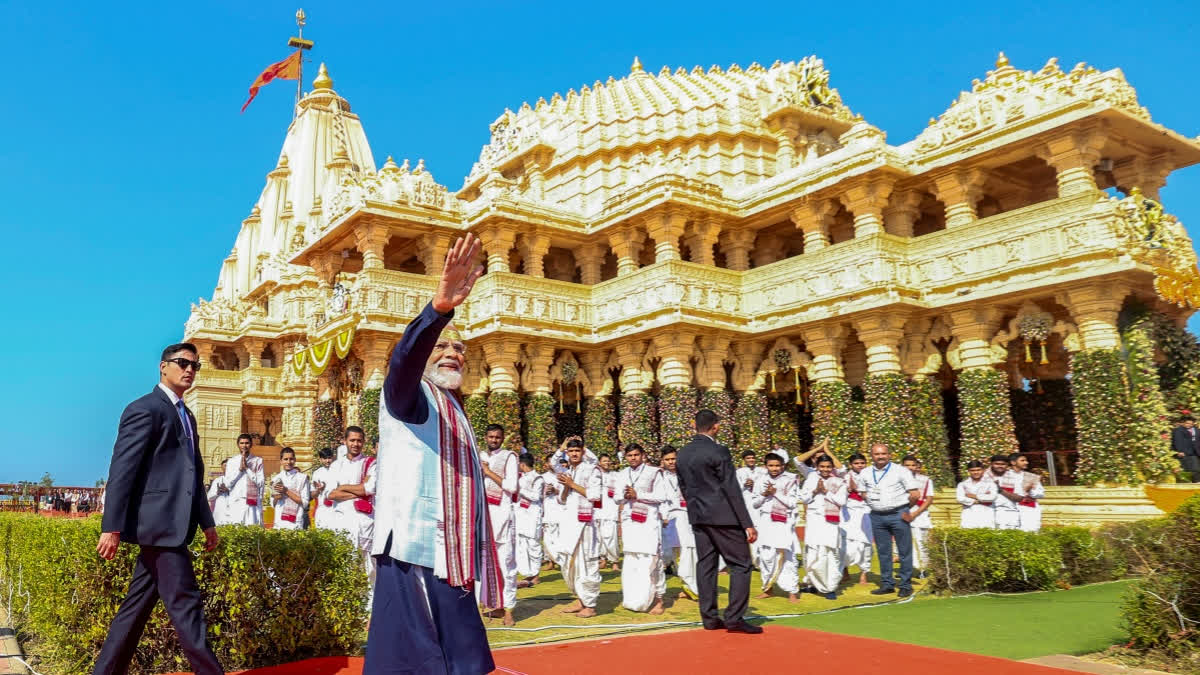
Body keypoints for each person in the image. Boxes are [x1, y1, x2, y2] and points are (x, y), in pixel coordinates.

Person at [364, 234, 500, 675]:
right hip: (413, 546)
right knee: (415, 659)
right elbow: (404, 360)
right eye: (441, 347)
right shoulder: (410, 396)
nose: (452, 354)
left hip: (449, 550)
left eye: (459, 349)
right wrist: (438, 312)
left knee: (464, 656)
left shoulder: (454, 408)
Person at [93, 343, 223, 675]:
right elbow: (123, 470)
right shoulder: (145, 409)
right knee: (187, 610)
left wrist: (207, 522)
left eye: (195, 365)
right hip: (159, 528)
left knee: (133, 612)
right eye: (183, 363)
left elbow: (194, 471)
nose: (190, 370)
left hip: (173, 528)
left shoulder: (187, 415)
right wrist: (112, 527)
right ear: (163, 367)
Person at [676, 410, 761, 634]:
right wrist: (746, 523)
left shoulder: (682, 453)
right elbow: (731, 487)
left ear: (694, 425)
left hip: (698, 517)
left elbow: (683, 487)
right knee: (741, 564)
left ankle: (710, 618)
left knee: (706, 565)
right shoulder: (718, 450)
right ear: (715, 427)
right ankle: (734, 618)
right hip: (723, 516)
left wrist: (696, 509)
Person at [857, 443, 920, 598]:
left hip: (898, 514)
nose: (880, 457)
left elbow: (915, 494)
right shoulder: (865, 472)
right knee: (883, 552)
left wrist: (907, 509)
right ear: (872, 455)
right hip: (877, 516)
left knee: (904, 551)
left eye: (883, 454)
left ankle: (905, 585)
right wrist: (874, 502)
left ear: (889, 455)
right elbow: (862, 492)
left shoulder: (901, 471)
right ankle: (887, 584)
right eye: (877, 454)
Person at [614, 443, 668, 614]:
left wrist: (638, 495)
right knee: (632, 560)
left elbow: (661, 496)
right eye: (629, 455)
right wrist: (624, 495)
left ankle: (659, 600)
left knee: (652, 560)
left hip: (648, 522)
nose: (633, 458)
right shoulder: (622, 474)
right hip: (630, 522)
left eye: (636, 455)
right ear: (625, 457)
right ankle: (635, 600)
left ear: (642, 455)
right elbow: (616, 498)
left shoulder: (654, 472)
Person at [329, 426, 378, 610]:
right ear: (345, 441)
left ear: (363, 442)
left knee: (368, 567)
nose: (356, 444)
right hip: (342, 521)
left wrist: (344, 488)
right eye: (352, 440)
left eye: (359, 440)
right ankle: (347, 607)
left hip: (365, 522)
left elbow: (370, 489)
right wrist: (358, 489)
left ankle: (369, 609)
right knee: (345, 563)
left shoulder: (371, 464)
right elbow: (330, 494)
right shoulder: (336, 465)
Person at [556, 439, 603, 618]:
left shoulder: (592, 470)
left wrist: (572, 484)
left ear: (583, 452)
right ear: (566, 453)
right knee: (571, 563)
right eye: (571, 451)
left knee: (587, 563)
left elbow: (595, 495)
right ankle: (580, 599)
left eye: (577, 450)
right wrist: (566, 487)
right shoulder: (568, 471)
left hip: (585, 523)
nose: (574, 454)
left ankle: (590, 605)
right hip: (569, 521)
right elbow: (563, 499)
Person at [480, 424, 519, 626]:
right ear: (485, 437)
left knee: (506, 565)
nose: (493, 440)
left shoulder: (509, 457)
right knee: (486, 564)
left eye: (497, 437)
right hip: (484, 517)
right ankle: (495, 605)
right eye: (491, 436)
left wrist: (488, 472)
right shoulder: (480, 456)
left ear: (502, 439)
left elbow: (512, 487)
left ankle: (510, 610)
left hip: (503, 516)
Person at [752, 453, 801, 602]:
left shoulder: (790, 480)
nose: (774, 468)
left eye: (777, 465)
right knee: (766, 556)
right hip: (766, 520)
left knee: (787, 557)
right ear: (766, 466)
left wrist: (776, 494)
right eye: (771, 465)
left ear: (783, 466)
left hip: (783, 521)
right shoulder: (760, 480)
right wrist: (764, 495)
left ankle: (792, 591)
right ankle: (768, 588)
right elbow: (755, 503)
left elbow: (793, 503)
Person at [799, 454, 847, 600]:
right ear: (817, 467)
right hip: (814, 521)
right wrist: (815, 491)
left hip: (831, 523)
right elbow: (803, 498)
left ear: (832, 468)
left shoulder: (839, 482)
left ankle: (829, 587)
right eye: (822, 467)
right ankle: (814, 584)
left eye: (828, 467)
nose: (825, 469)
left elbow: (841, 501)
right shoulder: (811, 479)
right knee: (813, 554)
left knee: (830, 555)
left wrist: (826, 492)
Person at [660, 447, 698, 600]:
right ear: (662, 461)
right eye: (667, 459)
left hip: (687, 517)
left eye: (673, 459)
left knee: (689, 550)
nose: (671, 462)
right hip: (668, 518)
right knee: (675, 553)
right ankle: (687, 586)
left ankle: (693, 588)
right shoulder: (660, 477)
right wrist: (663, 516)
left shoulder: (689, 475)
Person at [840, 453, 873, 586]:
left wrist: (859, 490)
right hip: (848, 512)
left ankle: (863, 573)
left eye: (862, 463)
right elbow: (839, 495)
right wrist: (848, 490)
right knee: (845, 543)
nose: (860, 465)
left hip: (865, 511)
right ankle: (845, 571)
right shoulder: (845, 477)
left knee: (866, 543)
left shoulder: (871, 475)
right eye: (856, 463)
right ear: (851, 465)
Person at [900, 455, 934, 576]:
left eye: (913, 465)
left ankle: (923, 569)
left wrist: (915, 513)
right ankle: (906, 569)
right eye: (907, 465)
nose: (910, 468)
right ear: (902, 466)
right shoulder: (896, 480)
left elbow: (929, 499)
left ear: (917, 466)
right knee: (904, 543)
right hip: (902, 513)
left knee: (921, 542)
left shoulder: (925, 480)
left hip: (921, 515)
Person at [514, 453, 545, 587]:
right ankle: (528, 573)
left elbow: (536, 496)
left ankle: (536, 574)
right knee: (522, 545)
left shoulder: (538, 478)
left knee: (534, 545)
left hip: (532, 516)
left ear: (522, 464)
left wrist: (521, 490)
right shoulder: (520, 477)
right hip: (521, 515)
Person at [222, 433, 264, 526]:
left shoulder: (257, 461)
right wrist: (240, 470)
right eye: (242, 443)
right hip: (236, 501)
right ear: (238, 445)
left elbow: (260, 482)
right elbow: (228, 484)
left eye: (247, 443)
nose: (244, 446)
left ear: (251, 445)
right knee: (236, 531)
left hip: (252, 503)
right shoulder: (232, 461)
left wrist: (248, 469)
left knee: (252, 531)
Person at [271, 447, 310, 531]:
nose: (288, 462)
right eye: (285, 459)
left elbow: (305, 502)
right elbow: (273, 504)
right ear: (281, 461)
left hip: (295, 521)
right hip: (279, 521)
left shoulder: (302, 478)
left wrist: (286, 491)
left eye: (291, 459)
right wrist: (276, 497)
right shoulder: (276, 479)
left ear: (295, 460)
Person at [595, 453, 622, 570]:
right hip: (597, 510)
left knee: (611, 537)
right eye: (604, 461)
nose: (607, 463)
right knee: (599, 538)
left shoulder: (616, 475)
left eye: (608, 461)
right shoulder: (595, 476)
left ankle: (615, 561)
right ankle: (603, 559)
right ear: (599, 463)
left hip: (611, 510)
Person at [1007, 453, 1045, 533]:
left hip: (1028, 508)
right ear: (1013, 462)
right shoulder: (1004, 476)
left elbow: (1041, 494)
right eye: (1022, 460)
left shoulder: (1031, 476)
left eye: (1026, 460)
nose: (1026, 462)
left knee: (1031, 532)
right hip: (1009, 509)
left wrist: (1030, 491)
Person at [956, 460, 998, 529]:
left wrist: (974, 496)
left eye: (978, 470)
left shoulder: (990, 483)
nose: (976, 472)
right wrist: (981, 499)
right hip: (969, 514)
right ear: (968, 471)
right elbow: (960, 498)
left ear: (983, 470)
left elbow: (993, 497)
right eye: (972, 470)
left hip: (987, 514)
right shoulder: (963, 484)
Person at [541, 457, 564, 567]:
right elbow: (538, 494)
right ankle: (551, 561)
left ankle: (560, 561)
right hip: (548, 511)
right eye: (549, 461)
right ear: (546, 464)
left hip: (560, 511)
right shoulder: (543, 477)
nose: (551, 464)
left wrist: (556, 491)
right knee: (547, 540)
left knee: (559, 539)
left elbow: (567, 493)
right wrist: (545, 491)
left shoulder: (562, 476)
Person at [987, 455, 1021, 530]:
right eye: (997, 464)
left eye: (1003, 464)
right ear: (991, 464)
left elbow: (1020, 498)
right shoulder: (983, 477)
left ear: (1007, 465)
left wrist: (1001, 490)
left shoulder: (1015, 477)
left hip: (1009, 513)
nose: (1000, 466)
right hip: (986, 513)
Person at [310, 447, 338, 530]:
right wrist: (318, 490)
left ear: (333, 458)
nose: (327, 461)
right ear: (320, 459)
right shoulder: (317, 473)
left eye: (329, 458)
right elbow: (313, 495)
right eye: (324, 458)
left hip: (336, 508)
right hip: (322, 509)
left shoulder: (338, 471)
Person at [1172, 415, 1200, 482]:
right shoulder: (1178, 430)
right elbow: (1177, 441)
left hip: (1194, 453)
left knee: (1196, 469)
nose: (1189, 425)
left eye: (1191, 423)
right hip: (1183, 453)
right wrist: (1179, 451)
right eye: (1187, 423)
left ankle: (1197, 483)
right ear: (1184, 423)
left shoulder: (1196, 430)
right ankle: (1183, 484)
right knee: (1184, 470)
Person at [206, 459, 230, 525]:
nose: (227, 467)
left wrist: (228, 490)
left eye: (229, 465)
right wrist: (217, 492)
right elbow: (209, 497)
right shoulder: (217, 480)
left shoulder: (238, 480)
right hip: (220, 510)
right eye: (225, 465)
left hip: (233, 509)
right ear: (222, 467)